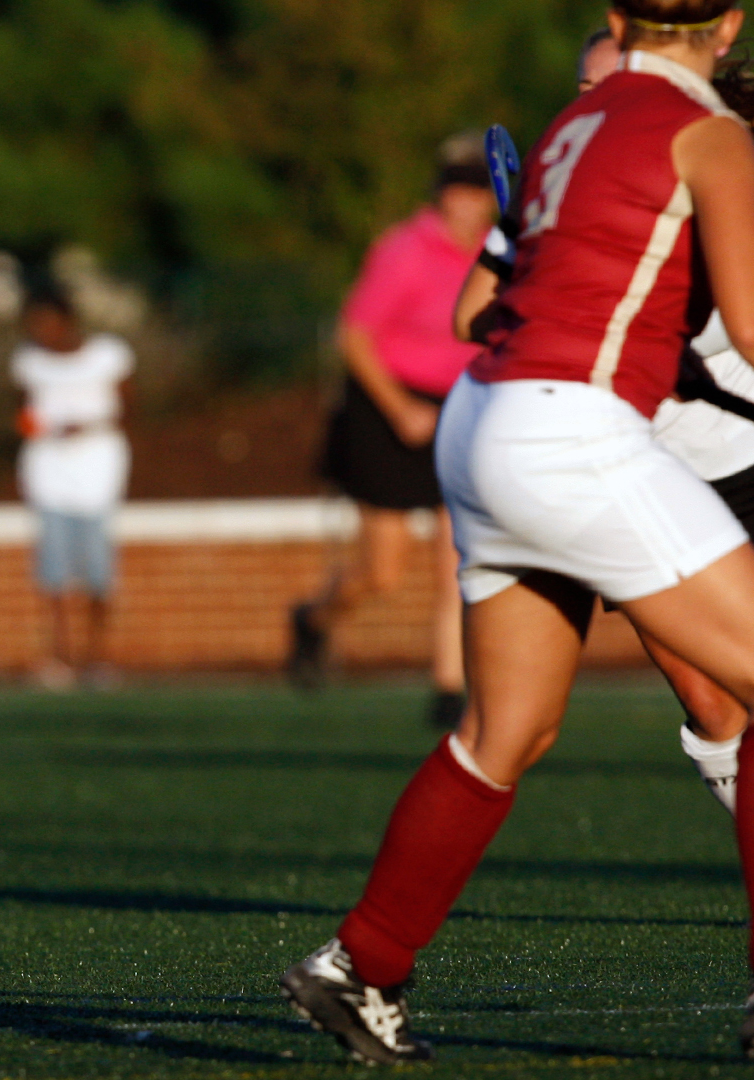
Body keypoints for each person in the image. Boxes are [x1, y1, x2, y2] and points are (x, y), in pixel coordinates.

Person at [281, 3, 754, 1062]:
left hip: (480, 419)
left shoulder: (567, 131)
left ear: (623, 19)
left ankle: (362, 964)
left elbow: (479, 309)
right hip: (574, 429)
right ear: (727, 25)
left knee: (507, 733)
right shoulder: (712, 133)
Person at [454, 24, 751, 818]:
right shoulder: (553, 185)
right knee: (713, 707)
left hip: (743, 456)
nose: (603, 105)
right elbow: (469, 319)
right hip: (631, 467)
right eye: (587, 93)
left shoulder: (713, 157)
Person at [287, 134, 500, 729]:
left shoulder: (498, 251)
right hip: (387, 406)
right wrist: (401, 408)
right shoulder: (405, 249)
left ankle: (447, 688)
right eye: (456, 189)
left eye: (476, 189)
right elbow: (355, 337)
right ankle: (315, 617)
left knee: (455, 554)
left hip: (459, 404)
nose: (466, 202)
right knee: (382, 568)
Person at [12, 285, 133, 688]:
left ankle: (98, 659)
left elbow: (128, 408)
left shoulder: (107, 356)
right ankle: (61, 658)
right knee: (55, 574)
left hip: (98, 473)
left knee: (99, 572)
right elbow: (22, 412)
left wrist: (88, 425)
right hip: (48, 476)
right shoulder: (29, 362)